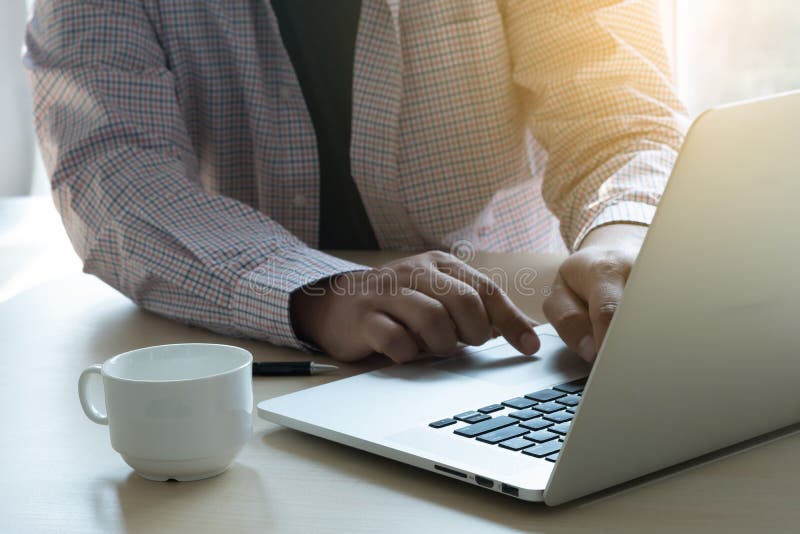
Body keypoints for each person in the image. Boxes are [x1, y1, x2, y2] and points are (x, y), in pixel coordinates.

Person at [24, 0, 686, 364]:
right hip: (242, 359)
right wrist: (314, 293)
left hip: (511, 348)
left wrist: (623, 234)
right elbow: (114, 173)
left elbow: (618, 114)